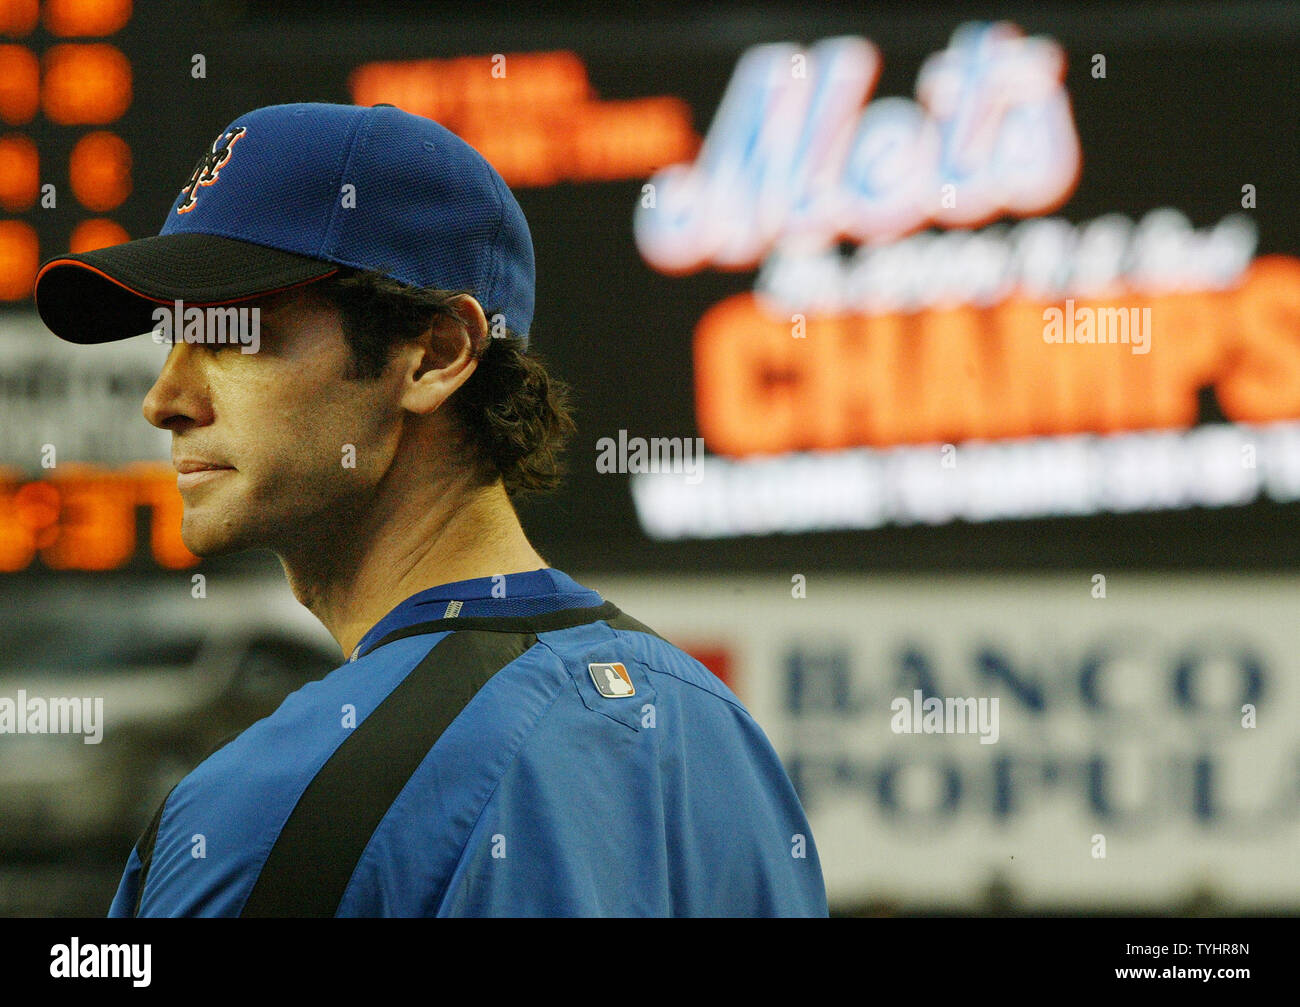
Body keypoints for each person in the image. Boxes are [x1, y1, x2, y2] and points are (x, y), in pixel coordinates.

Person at [32, 102, 827, 917]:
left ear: (435, 354)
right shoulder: (721, 740)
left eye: (231, 334)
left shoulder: (260, 813)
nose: (165, 399)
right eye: (172, 337)